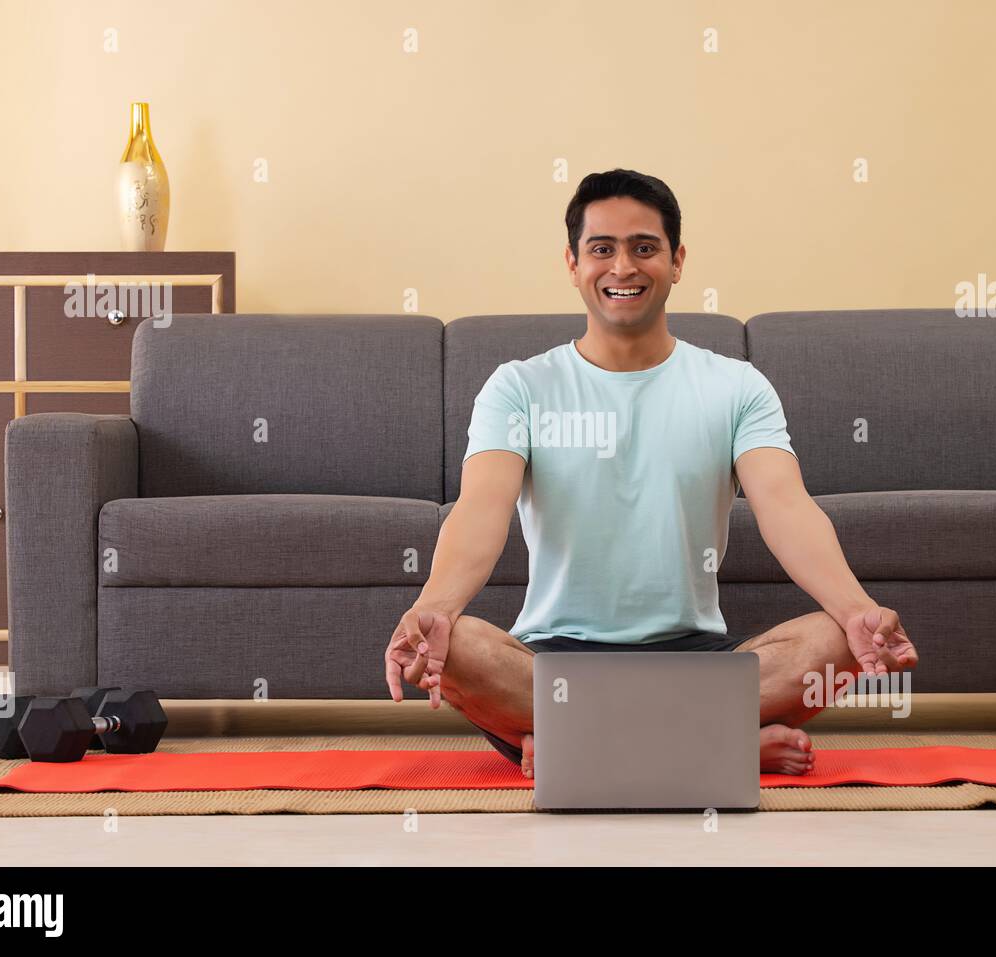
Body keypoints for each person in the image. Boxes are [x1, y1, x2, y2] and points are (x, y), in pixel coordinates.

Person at [384, 168, 918, 778]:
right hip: (554, 662)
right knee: (459, 647)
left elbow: (786, 508)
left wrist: (857, 611)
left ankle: (588, 748)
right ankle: (712, 746)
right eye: (601, 249)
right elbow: (481, 508)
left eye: (644, 248)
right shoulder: (519, 387)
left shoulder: (735, 386)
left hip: (692, 658)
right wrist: (433, 606)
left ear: (677, 260)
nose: (623, 268)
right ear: (572, 261)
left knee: (832, 642)